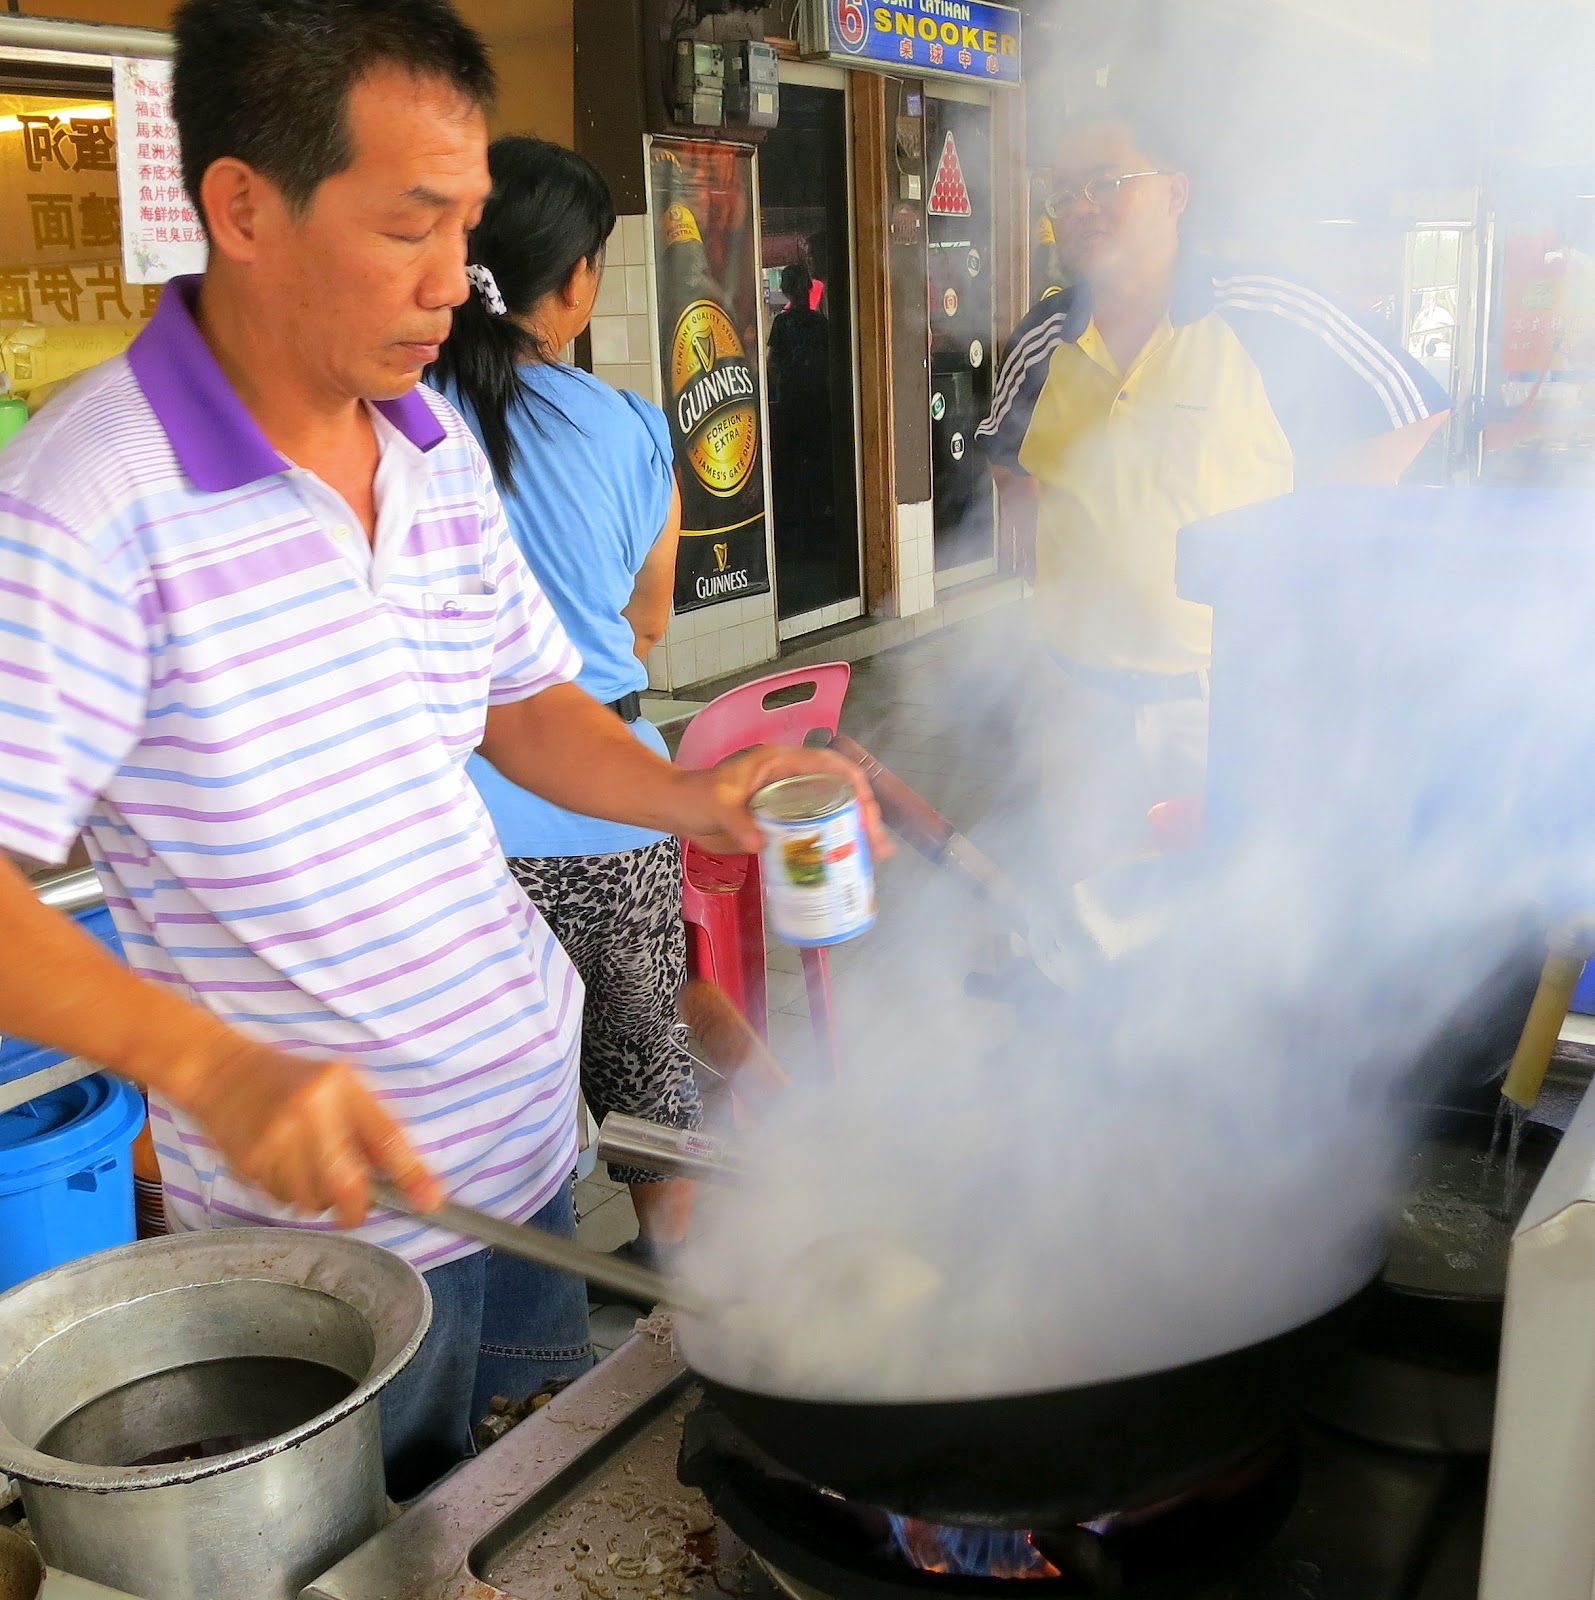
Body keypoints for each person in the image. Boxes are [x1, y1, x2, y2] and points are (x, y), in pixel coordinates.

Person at [0, 0, 881, 1498]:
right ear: (243, 207)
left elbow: (520, 701)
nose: (453, 284)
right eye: (410, 226)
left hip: (528, 1156)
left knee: (540, 1514)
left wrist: (692, 796)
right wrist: (212, 1069)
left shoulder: (427, 440)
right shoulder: (83, 505)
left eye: (465, 230)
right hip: (332, 1254)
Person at [976, 107, 1449, 883]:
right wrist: (1045, 530)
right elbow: (1003, 452)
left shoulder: (1263, 310)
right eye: (1061, 192)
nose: (1077, 207)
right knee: (1089, 903)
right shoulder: (1044, 334)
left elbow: (1411, 404)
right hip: (1077, 697)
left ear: (1174, 192)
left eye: (1105, 183)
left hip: (1222, 704)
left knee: (1219, 919)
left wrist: (1313, 539)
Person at [428, 136, 698, 1280]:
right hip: (614, 801)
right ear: (577, 278)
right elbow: (649, 623)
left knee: (490, 1105)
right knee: (645, 1068)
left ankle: (524, 1354)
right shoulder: (626, 427)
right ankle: (680, 1296)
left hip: (458, 832)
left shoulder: (399, 421)